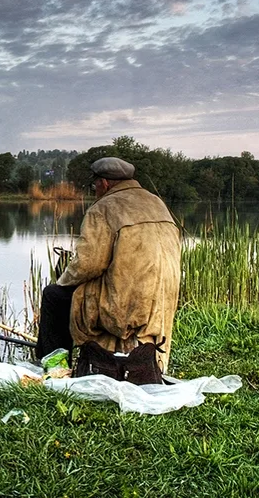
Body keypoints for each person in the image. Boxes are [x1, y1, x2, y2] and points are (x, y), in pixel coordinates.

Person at [35, 157, 182, 373]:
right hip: (162, 299)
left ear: (103, 183)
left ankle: (55, 367)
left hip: (126, 303)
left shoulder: (104, 207)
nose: (94, 189)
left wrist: (63, 279)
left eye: (94, 184)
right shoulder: (156, 202)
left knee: (54, 296)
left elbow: (88, 264)